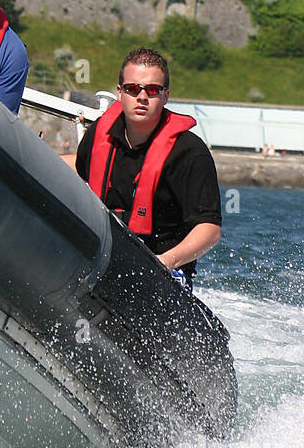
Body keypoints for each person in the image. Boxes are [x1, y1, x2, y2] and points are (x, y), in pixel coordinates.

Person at [74, 47, 221, 283]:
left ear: (165, 95)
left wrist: (167, 261)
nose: (142, 97)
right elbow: (79, 167)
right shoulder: (101, 134)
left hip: (161, 266)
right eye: (132, 89)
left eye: (152, 90)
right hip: (100, 254)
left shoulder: (190, 153)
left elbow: (210, 230)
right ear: (120, 92)